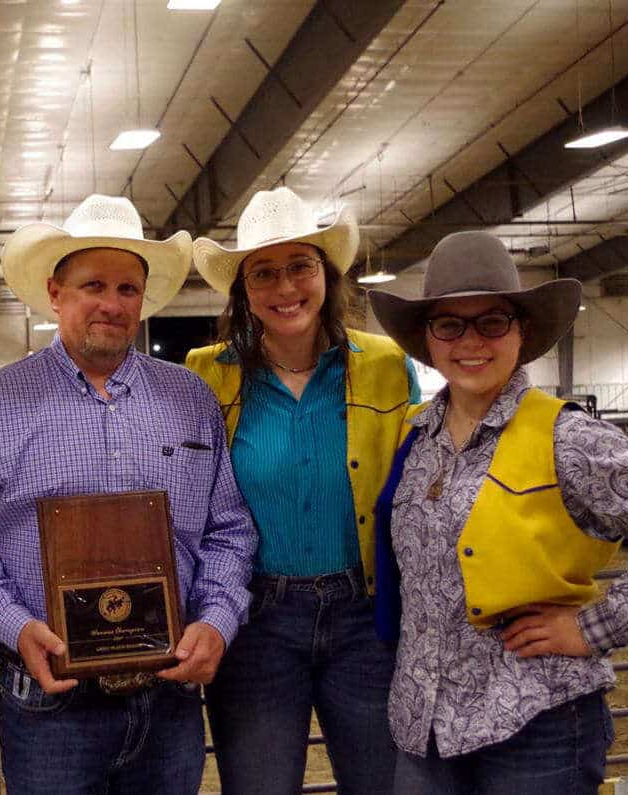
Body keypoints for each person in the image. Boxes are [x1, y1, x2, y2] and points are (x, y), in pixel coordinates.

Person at [0, 194, 257, 794]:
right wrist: (14, 625)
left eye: (127, 289)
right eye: (93, 286)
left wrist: (217, 618)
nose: (112, 304)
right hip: (50, 703)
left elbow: (228, 529)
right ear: (55, 293)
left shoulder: (191, 399)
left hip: (170, 698)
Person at [368, 231, 628, 793]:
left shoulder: (567, 437)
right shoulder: (414, 436)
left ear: (521, 331)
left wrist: (593, 628)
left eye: (492, 321)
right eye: (449, 324)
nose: (471, 341)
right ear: (429, 337)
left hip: (535, 718)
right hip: (424, 726)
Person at [185, 187, 419, 794]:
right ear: (244, 293)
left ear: (327, 275)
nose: (285, 288)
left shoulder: (388, 364)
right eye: (264, 273)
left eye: (300, 267)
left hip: (367, 614)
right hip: (255, 616)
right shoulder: (206, 373)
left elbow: (421, 484)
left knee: (382, 783)